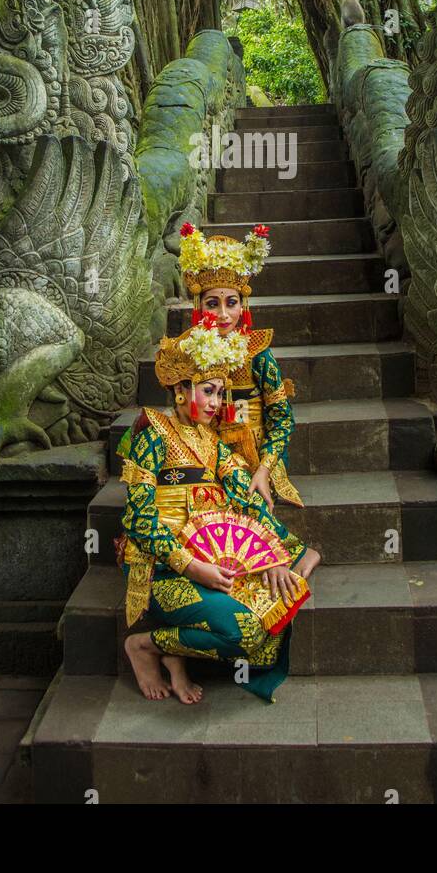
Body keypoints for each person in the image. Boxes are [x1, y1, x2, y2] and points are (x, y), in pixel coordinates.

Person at [118, 322, 320, 705]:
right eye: (207, 391)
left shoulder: (213, 445)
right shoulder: (153, 434)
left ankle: (176, 654)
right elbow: (139, 518)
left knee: (275, 609)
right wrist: (191, 567)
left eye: (221, 393)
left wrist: (272, 555)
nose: (216, 403)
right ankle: (145, 646)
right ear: (180, 390)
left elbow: (248, 499)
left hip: (212, 561)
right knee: (244, 630)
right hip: (160, 567)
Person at [120, 221, 301, 513]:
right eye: (212, 304)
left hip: (254, 454)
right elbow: (182, 408)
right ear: (199, 306)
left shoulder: (258, 354)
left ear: (243, 305)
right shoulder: (189, 349)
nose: (223, 314)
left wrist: (264, 469)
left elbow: (282, 420)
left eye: (231, 303)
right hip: (203, 449)